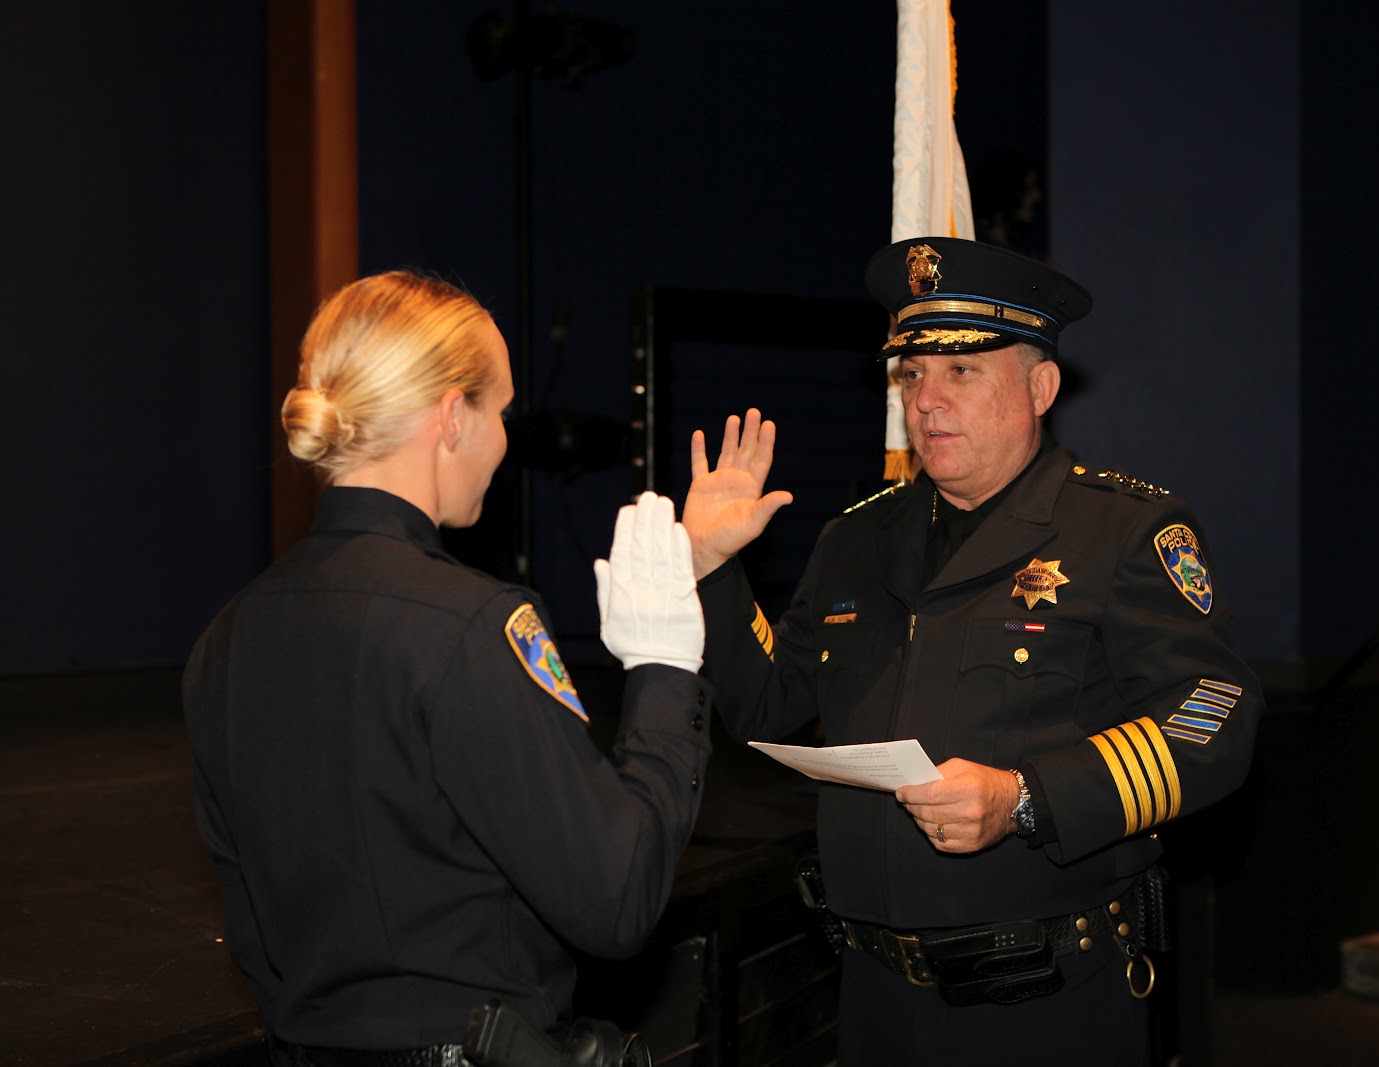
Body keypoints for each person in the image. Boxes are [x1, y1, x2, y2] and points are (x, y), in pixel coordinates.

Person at [682, 237, 1263, 1064]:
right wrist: (711, 568)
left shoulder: (1120, 530)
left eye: (963, 372)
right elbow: (768, 706)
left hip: (1045, 1000)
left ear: (1040, 386)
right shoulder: (856, 537)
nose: (927, 401)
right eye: (912, 375)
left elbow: (1217, 716)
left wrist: (1026, 797)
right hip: (871, 995)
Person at [183, 271, 711, 1066]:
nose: (504, 439)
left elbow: (257, 937)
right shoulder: (471, 624)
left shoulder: (225, 639)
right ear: (450, 416)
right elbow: (619, 894)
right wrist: (666, 671)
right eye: (497, 409)